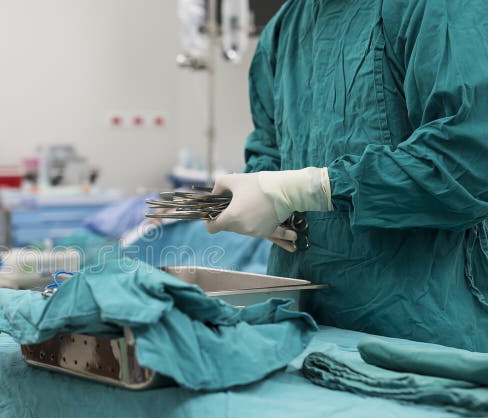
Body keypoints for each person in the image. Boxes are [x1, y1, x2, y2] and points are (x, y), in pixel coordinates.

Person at [205, 0, 488, 351]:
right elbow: (270, 144)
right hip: (303, 325)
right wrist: (259, 190)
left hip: (421, 329)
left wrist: (311, 189)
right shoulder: (284, 29)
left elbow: (467, 161)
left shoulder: (436, 8)